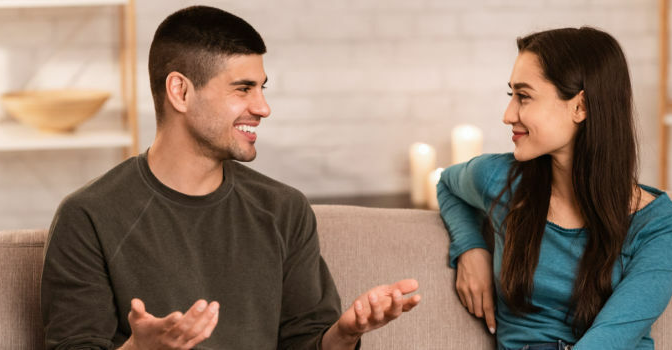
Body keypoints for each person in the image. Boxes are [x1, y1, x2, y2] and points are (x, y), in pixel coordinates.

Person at [41, 6, 420, 350]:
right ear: (181, 92)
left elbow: (305, 341)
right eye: (243, 89)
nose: (263, 107)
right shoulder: (90, 215)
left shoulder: (284, 209)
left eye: (261, 88)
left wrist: (344, 333)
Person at [437, 27, 672, 350]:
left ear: (580, 107)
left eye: (524, 96)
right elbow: (447, 185)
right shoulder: (501, 180)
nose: (508, 115)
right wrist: (471, 247)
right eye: (511, 96)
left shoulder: (664, 228)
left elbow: (610, 340)